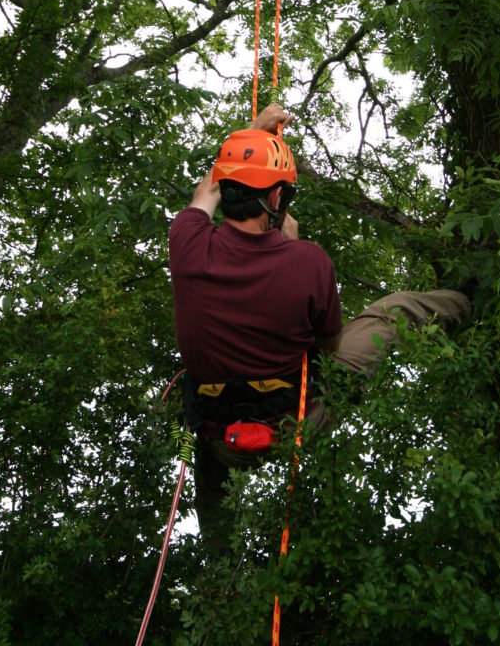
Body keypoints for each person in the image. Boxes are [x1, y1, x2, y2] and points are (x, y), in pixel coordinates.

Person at [169, 103, 471, 548]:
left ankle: (217, 568)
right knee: (391, 312)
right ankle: (468, 302)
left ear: (227, 187)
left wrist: (250, 140)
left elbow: (206, 191)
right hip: (295, 422)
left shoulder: (186, 241)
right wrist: (291, 246)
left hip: (222, 438)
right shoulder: (308, 261)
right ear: (276, 199)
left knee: (208, 452)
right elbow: (327, 351)